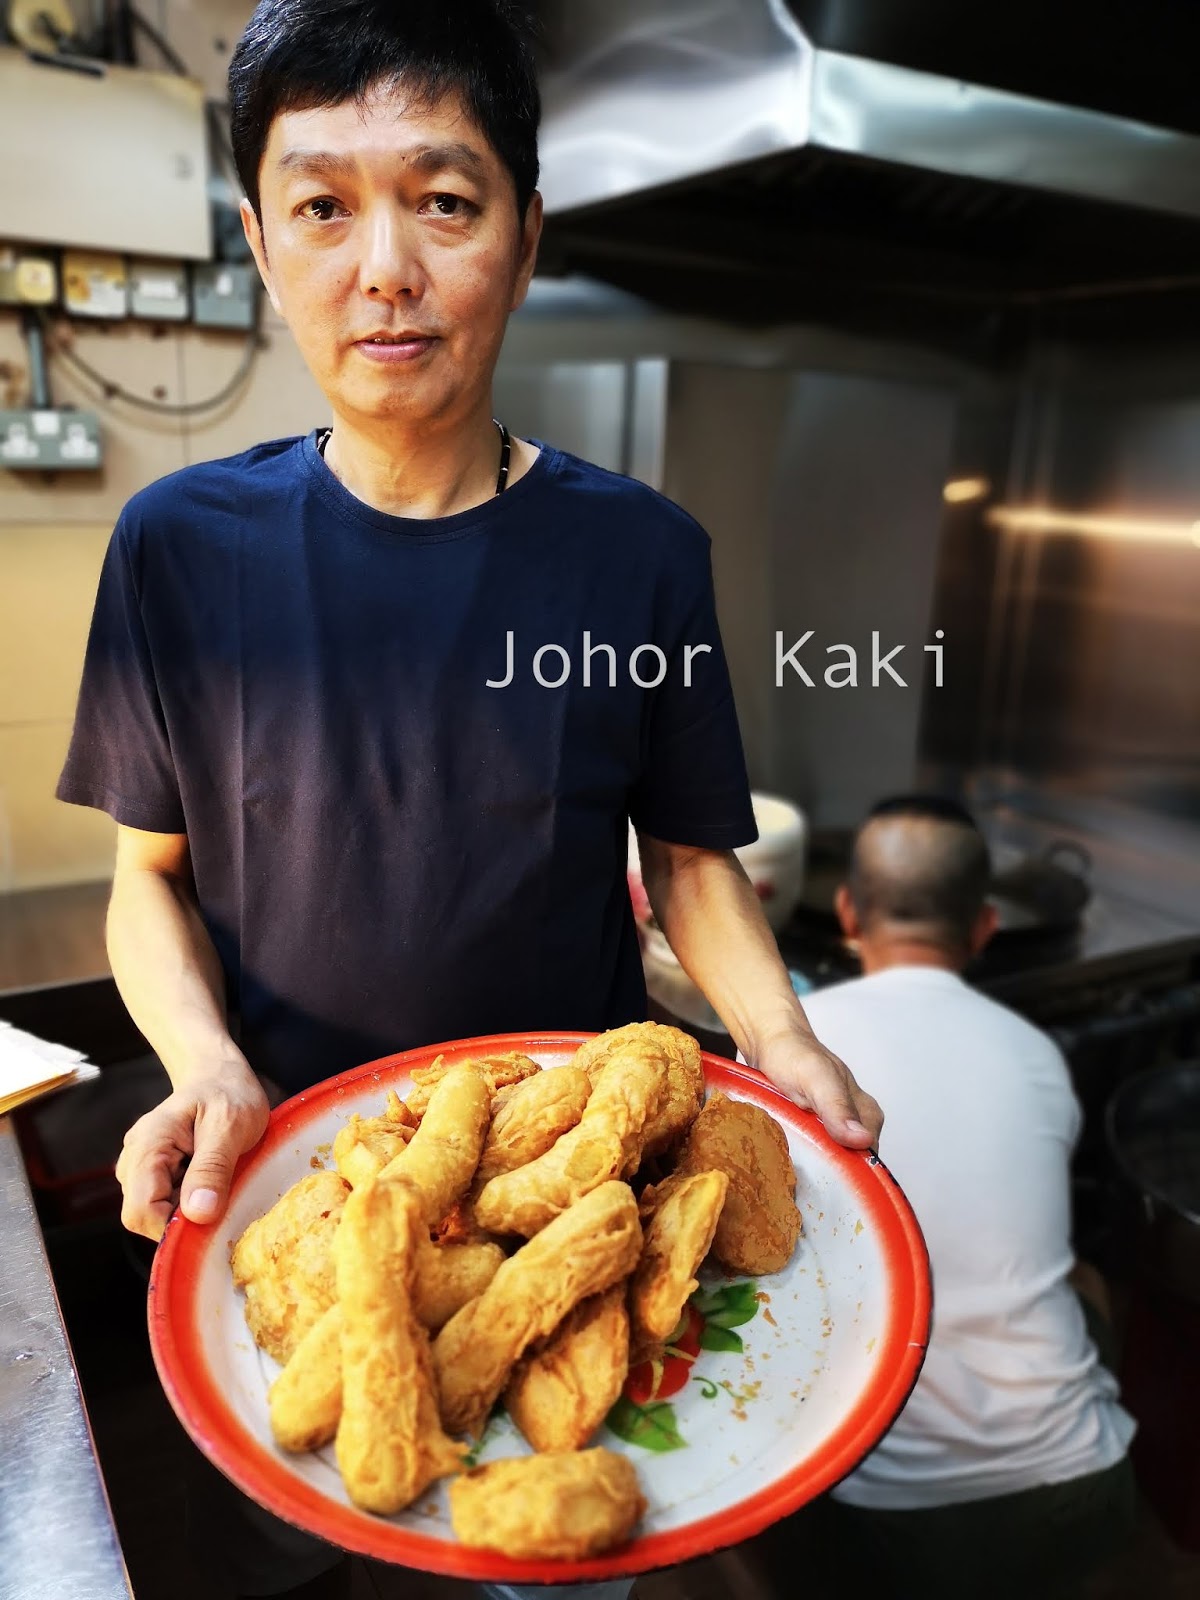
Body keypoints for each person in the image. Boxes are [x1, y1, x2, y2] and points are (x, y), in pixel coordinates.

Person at [55, 4, 882, 1595]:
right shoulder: (178, 547)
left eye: (443, 199)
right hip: (294, 1188)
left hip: (574, 1200)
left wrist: (781, 1044)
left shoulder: (639, 553)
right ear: (259, 238)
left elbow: (694, 859)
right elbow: (145, 874)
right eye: (322, 206)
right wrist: (205, 1064)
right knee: (314, 1532)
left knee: (555, 1560)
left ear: (523, 231)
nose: (385, 268)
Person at [796, 795, 1137, 1600]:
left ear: (847, 911)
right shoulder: (1037, 1054)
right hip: (1087, 1479)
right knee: (1079, 1288)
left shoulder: (793, 1044)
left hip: (900, 1513)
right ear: (985, 927)